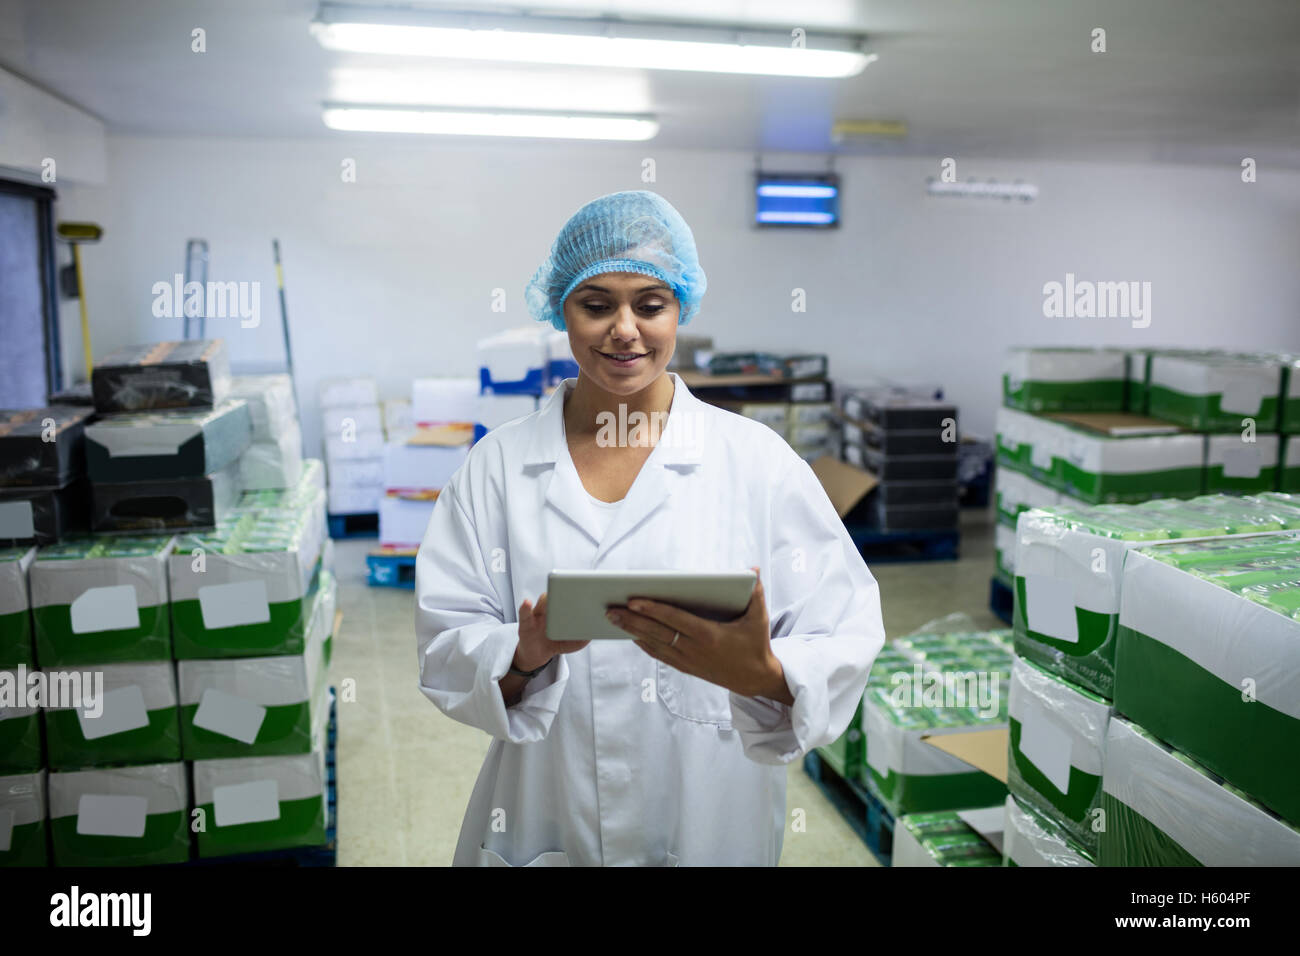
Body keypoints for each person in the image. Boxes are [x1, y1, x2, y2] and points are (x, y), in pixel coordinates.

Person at [415, 190, 885, 866]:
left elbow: (847, 628)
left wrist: (765, 672)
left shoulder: (756, 462)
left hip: (709, 818)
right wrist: (522, 655)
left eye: (650, 304)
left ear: (681, 309)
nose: (624, 329)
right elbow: (444, 642)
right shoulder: (497, 467)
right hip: (549, 815)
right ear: (561, 311)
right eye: (597, 304)